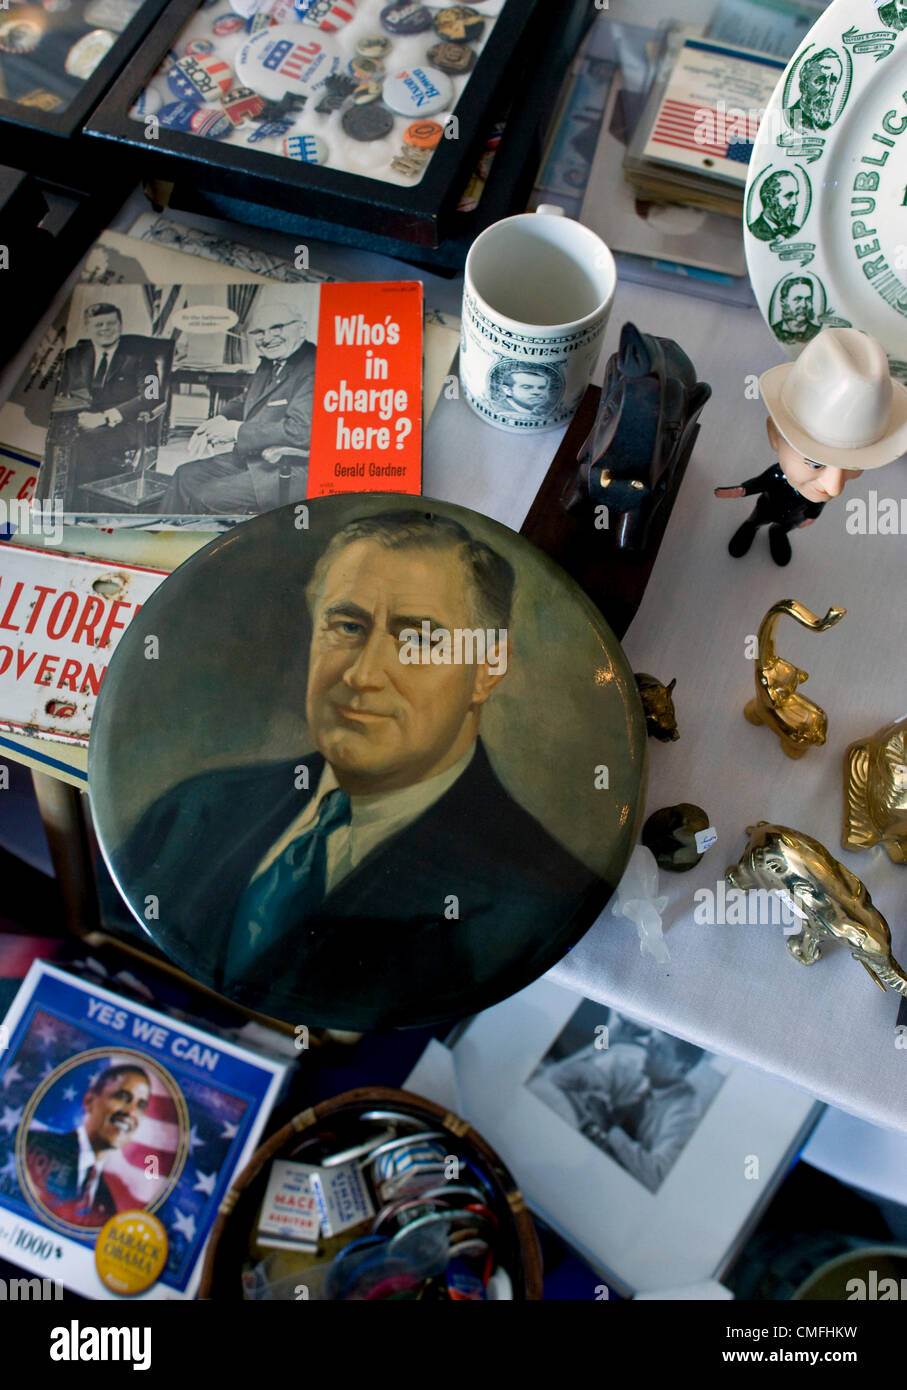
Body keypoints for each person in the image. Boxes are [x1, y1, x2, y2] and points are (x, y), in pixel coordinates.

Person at [117, 510, 606, 1027]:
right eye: (347, 626)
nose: (363, 673)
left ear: (487, 670)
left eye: (417, 639)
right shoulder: (195, 808)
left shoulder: (525, 904)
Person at [716, 327, 907, 565]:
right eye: (815, 464)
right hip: (768, 507)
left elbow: (817, 505)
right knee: (758, 518)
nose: (835, 488)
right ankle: (751, 527)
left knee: (784, 527)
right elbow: (760, 483)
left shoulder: (819, 491)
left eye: (853, 466)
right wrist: (742, 490)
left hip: (794, 517)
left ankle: (778, 532)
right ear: (775, 435)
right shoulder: (778, 476)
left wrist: (811, 516)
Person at [162, 295, 316, 514]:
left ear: (301, 329)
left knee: (207, 497)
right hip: (252, 458)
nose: (267, 338)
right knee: (184, 475)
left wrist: (236, 431)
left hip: (287, 467)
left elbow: (300, 431)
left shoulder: (313, 365)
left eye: (277, 328)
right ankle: (165, 539)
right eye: (259, 332)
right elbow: (245, 400)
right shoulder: (269, 363)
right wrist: (220, 419)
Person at [54, 302, 160, 499]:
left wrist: (105, 417)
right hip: (76, 420)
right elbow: (60, 394)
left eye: (111, 323)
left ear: (120, 325)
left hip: (123, 424)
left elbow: (152, 395)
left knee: (82, 444)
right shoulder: (73, 356)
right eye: (99, 325)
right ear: (88, 328)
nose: (105, 329)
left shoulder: (142, 356)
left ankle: (81, 504)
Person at [25, 1064, 151, 1226]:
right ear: (89, 1100)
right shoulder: (34, 1145)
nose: (131, 1112)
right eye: (122, 1097)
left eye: (140, 1106)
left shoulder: (107, 1206)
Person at [589, 1033, 706, 1193]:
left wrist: (610, 1128)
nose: (647, 1049)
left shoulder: (686, 1112)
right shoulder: (636, 1067)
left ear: (682, 1068)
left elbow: (658, 1176)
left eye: (658, 1049)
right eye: (651, 1041)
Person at [784, 48, 842, 133]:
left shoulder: (829, 127)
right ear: (803, 86)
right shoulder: (788, 119)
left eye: (833, 81)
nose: (827, 90)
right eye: (819, 81)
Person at [491, 362, 560, 417]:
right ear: (508, 390)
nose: (537, 392)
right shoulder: (497, 408)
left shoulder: (539, 413)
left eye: (541, 388)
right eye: (526, 387)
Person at [748, 171, 801, 242]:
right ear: (769, 199)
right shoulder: (754, 230)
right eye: (788, 196)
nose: (795, 202)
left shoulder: (796, 231)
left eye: (796, 195)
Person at [770, 276, 821, 345]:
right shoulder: (773, 330)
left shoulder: (817, 332)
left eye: (808, 299)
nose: (804, 305)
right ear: (783, 302)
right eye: (798, 299)